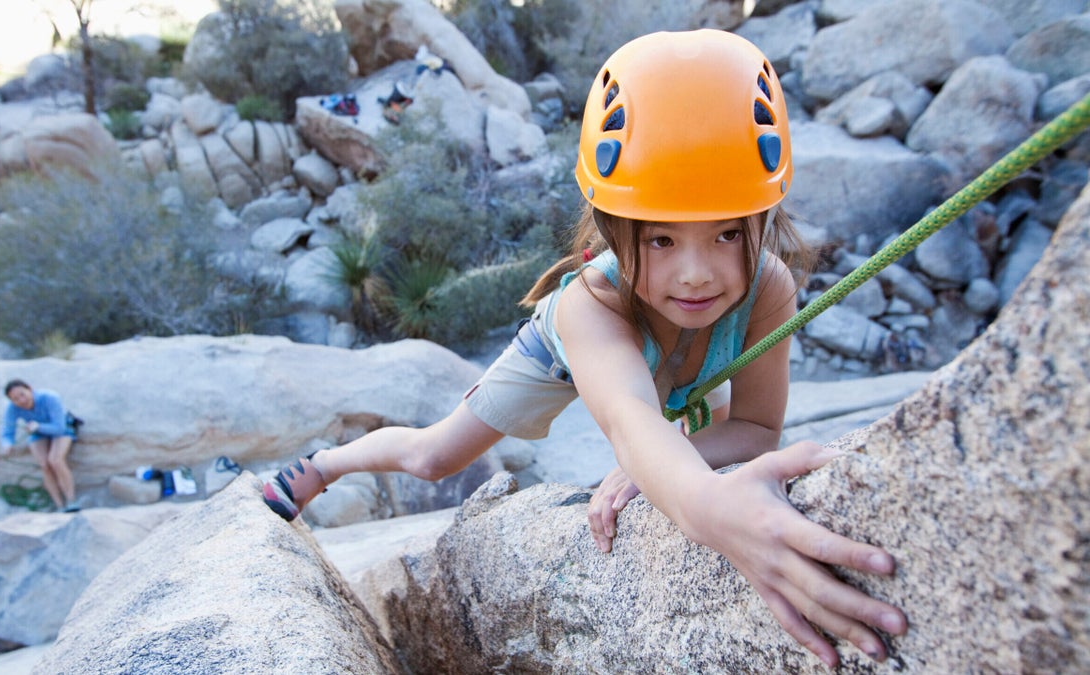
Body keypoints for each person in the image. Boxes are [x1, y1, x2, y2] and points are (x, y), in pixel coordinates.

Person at [263, 30, 907, 666]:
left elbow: (758, 428)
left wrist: (663, 460)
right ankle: (327, 465)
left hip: (663, 364)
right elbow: (630, 421)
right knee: (435, 456)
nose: (696, 274)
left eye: (727, 235)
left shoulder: (768, 288)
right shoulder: (588, 307)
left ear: (763, 221)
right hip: (564, 351)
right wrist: (709, 506)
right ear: (611, 228)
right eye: (660, 239)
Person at [1, 379, 78, 511]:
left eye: (22, 394)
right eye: (15, 399)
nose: (21, 400)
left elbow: (59, 428)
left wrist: (39, 426)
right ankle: (59, 505)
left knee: (56, 460)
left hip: (60, 428)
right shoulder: (12, 408)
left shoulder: (50, 398)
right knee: (44, 464)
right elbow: (7, 432)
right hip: (36, 431)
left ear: (30, 389)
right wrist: (7, 444)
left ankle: (71, 500)